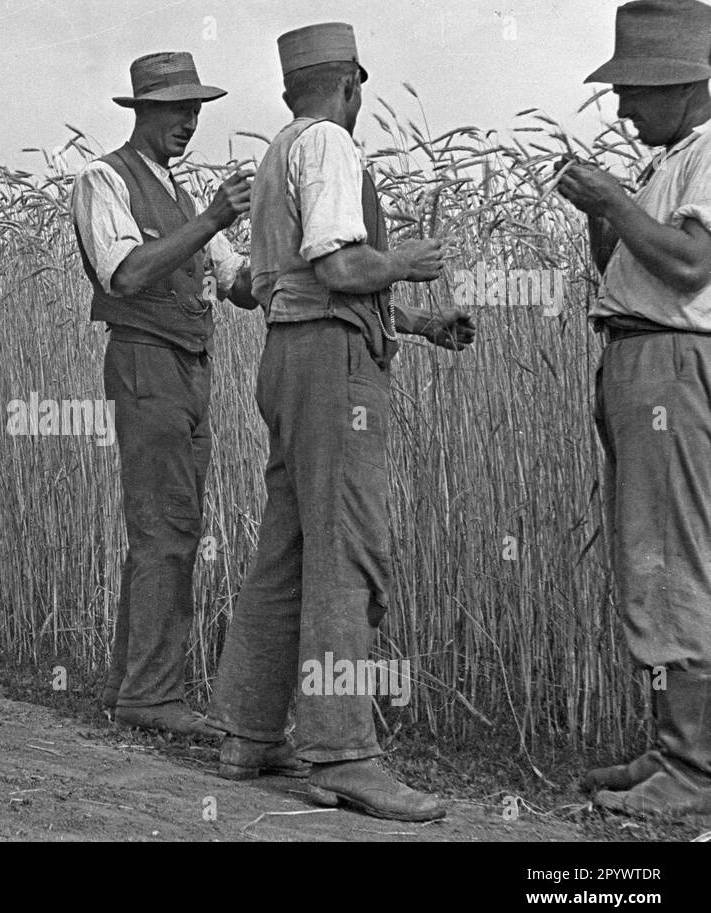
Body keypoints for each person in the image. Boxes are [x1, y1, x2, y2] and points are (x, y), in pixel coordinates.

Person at [205, 22, 474, 821]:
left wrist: (416, 322)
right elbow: (338, 266)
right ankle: (345, 752)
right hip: (331, 369)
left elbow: (290, 283)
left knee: (287, 547)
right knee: (348, 551)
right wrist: (408, 263)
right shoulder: (329, 144)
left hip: (294, 357)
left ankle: (250, 732)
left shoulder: (282, 147)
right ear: (352, 82)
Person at [71, 51, 257, 738]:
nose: (189, 122)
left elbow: (236, 283)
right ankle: (152, 696)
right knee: (165, 529)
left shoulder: (177, 195)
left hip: (190, 366)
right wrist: (211, 218)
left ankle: (134, 685)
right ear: (141, 111)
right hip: (147, 362)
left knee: (170, 528)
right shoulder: (103, 179)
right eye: (176, 110)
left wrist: (287, 254)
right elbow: (125, 272)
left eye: (196, 110)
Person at [558, 0, 711, 820]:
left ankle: (694, 774)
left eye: (632, 92)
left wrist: (614, 199)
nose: (619, 108)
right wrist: (602, 213)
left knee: (674, 562)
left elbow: (690, 268)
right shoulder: (676, 157)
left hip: (672, 364)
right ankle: (671, 751)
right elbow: (628, 264)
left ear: (682, 84)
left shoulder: (710, 152)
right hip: (639, 357)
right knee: (648, 560)